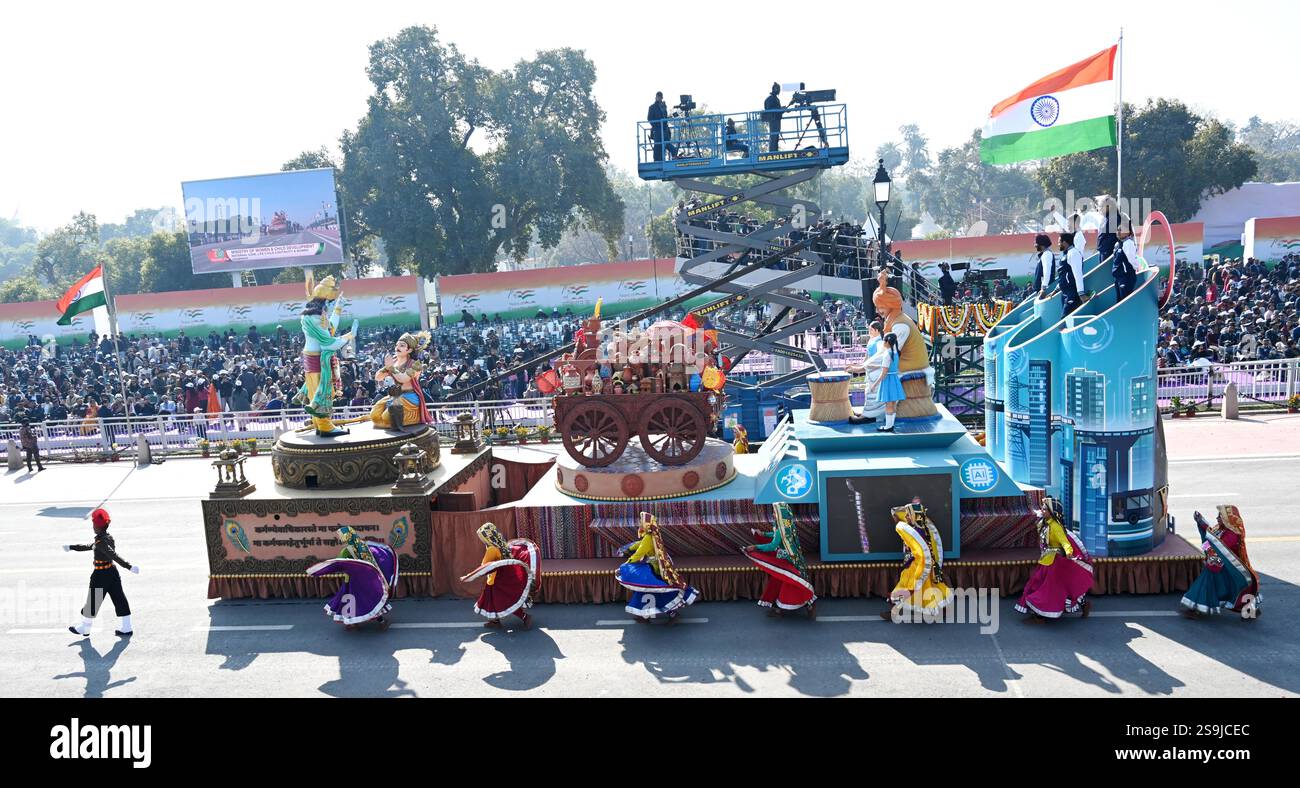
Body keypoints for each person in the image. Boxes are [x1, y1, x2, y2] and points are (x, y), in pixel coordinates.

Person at [294, 274, 357, 437]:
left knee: (316, 391)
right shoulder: (316, 317)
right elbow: (329, 342)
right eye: (330, 303)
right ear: (324, 303)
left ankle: (319, 423)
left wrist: (338, 307)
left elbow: (330, 328)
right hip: (317, 359)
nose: (329, 307)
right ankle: (325, 426)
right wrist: (349, 336)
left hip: (311, 357)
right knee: (323, 392)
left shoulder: (312, 315)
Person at [1014, 497, 1094, 622]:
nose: (1042, 510)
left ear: (1052, 512)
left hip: (1055, 563)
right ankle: (1039, 613)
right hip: (1046, 561)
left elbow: (1065, 542)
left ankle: (1041, 615)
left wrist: (1068, 552)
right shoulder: (1044, 524)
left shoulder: (1055, 527)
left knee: (1051, 589)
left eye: (1045, 509)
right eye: (1043, 508)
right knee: (1037, 585)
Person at [65, 508, 139, 637]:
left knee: (93, 600)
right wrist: (72, 547)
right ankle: (126, 627)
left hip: (101, 575)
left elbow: (114, 555)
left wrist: (129, 566)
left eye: (94, 525)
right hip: (112, 572)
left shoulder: (101, 542)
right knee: (119, 598)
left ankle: (85, 628)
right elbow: (89, 546)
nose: (93, 527)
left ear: (97, 527)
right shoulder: (106, 538)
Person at [306, 526, 399, 630]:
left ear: (347, 536)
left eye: (341, 535)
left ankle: (351, 623)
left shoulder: (346, 550)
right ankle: (380, 621)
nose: (340, 538)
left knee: (350, 600)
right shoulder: (364, 546)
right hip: (368, 580)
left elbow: (339, 563)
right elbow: (373, 563)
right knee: (369, 600)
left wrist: (319, 570)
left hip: (352, 581)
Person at [615, 512, 700, 623]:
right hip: (659, 566)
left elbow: (639, 553)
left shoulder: (649, 538)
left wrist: (624, 566)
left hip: (656, 568)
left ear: (647, 525)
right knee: (652, 591)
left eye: (642, 523)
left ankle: (656, 615)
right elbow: (640, 544)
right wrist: (629, 547)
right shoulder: (652, 535)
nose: (640, 525)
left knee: (652, 590)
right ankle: (650, 615)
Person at [1181, 506, 1261, 620]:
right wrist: (1201, 523)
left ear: (1227, 519)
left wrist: (1207, 541)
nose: (1217, 518)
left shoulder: (1232, 534)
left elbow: (1218, 546)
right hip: (1218, 565)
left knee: (1229, 588)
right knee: (1231, 589)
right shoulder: (1221, 529)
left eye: (1220, 516)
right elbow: (1211, 537)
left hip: (1227, 567)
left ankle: (1198, 609)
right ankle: (1250, 610)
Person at [882, 498, 952, 622]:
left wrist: (898, 523)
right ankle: (942, 610)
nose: (907, 517)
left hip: (918, 565)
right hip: (923, 565)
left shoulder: (917, 531)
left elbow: (903, 530)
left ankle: (893, 612)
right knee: (928, 589)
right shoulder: (921, 527)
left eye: (909, 515)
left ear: (915, 516)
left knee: (906, 587)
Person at [743, 503, 817, 619]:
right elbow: (776, 534)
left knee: (787, 582)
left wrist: (756, 547)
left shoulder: (781, 528)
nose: (773, 514)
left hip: (786, 561)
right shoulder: (787, 523)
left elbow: (772, 546)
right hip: (795, 558)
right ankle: (808, 606)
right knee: (797, 582)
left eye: (775, 512)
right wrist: (764, 534)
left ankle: (780, 610)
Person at [461, 523, 540, 629]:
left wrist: (470, 576)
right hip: (502, 579)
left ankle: (525, 617)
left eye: (482, 537)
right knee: (493, 601)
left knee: (504, 602)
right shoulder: (501, 544)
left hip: (496, 581)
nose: (482, 540)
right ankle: (495, 621)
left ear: (488, 537)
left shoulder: (492, 549)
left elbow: (485, 565)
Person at [371, 331, 434, 433]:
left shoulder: (416, 365)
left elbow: (403, 379)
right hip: (395, 395)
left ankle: (409, 418)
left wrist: (390, 368)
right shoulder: (394, 362)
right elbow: (378, 377)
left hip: (410, 397)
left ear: (409, 350)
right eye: (397, 345)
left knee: (386, 418)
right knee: (374, 416)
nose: (397, 347)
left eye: (402, 345)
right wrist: (386, 368)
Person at [867, 332, 906, 432]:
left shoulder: (887, 354)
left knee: (888, 405)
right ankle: (890, 425)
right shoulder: (895, 352)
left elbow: (883, 373)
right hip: (894, 379)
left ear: (887, 342)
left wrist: (874, 385)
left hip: (888, 380)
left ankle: (888, 427)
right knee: (893, 404)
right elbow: (889, 367)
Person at [1111, 215, 1139, 302]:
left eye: (1121, 230)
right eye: (1118, 230)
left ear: (1128, 232)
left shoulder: (1128, 243)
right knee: (1119, 301)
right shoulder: (1118, 244)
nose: (1118, 232)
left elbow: (1132, 260)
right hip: (1119, 277)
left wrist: (1136, 267)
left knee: (1125, 301)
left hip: (1126, 277)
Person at [1056, 232, 1084, 315]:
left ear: (1064, 242)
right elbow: (1064, 274)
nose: (1058, 244)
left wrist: (1081, 293)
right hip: (1065, 293)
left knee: (1064, 320)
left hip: (1072, 293)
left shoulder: (1074, 253)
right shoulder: (1066, 254)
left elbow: (1078, 274)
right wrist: (1056, 289)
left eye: (1059, 242)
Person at [647, 91, 672, 162]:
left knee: (666, 144)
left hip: (664, 130)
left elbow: (665, 118)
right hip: (657, 130)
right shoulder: (652, 107)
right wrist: (656, 126)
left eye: (660, 97)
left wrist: (664, 109)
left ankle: (674, 155)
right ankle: (656, 161)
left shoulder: (663, 107)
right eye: (658, 97)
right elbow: (649, 118)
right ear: (656, 97)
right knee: (657, 146)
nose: (659, 98)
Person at [763, 82, 783, 153]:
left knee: (776, 136)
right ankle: (772, 152)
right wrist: (780, 109)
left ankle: (775, 151)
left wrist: (782, 109)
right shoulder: (770, 99)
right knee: (774, 137)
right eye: (778, 89)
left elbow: (776, 109)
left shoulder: (774, 98)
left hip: (776, 120)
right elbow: (769, 110)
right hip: (773, 120)